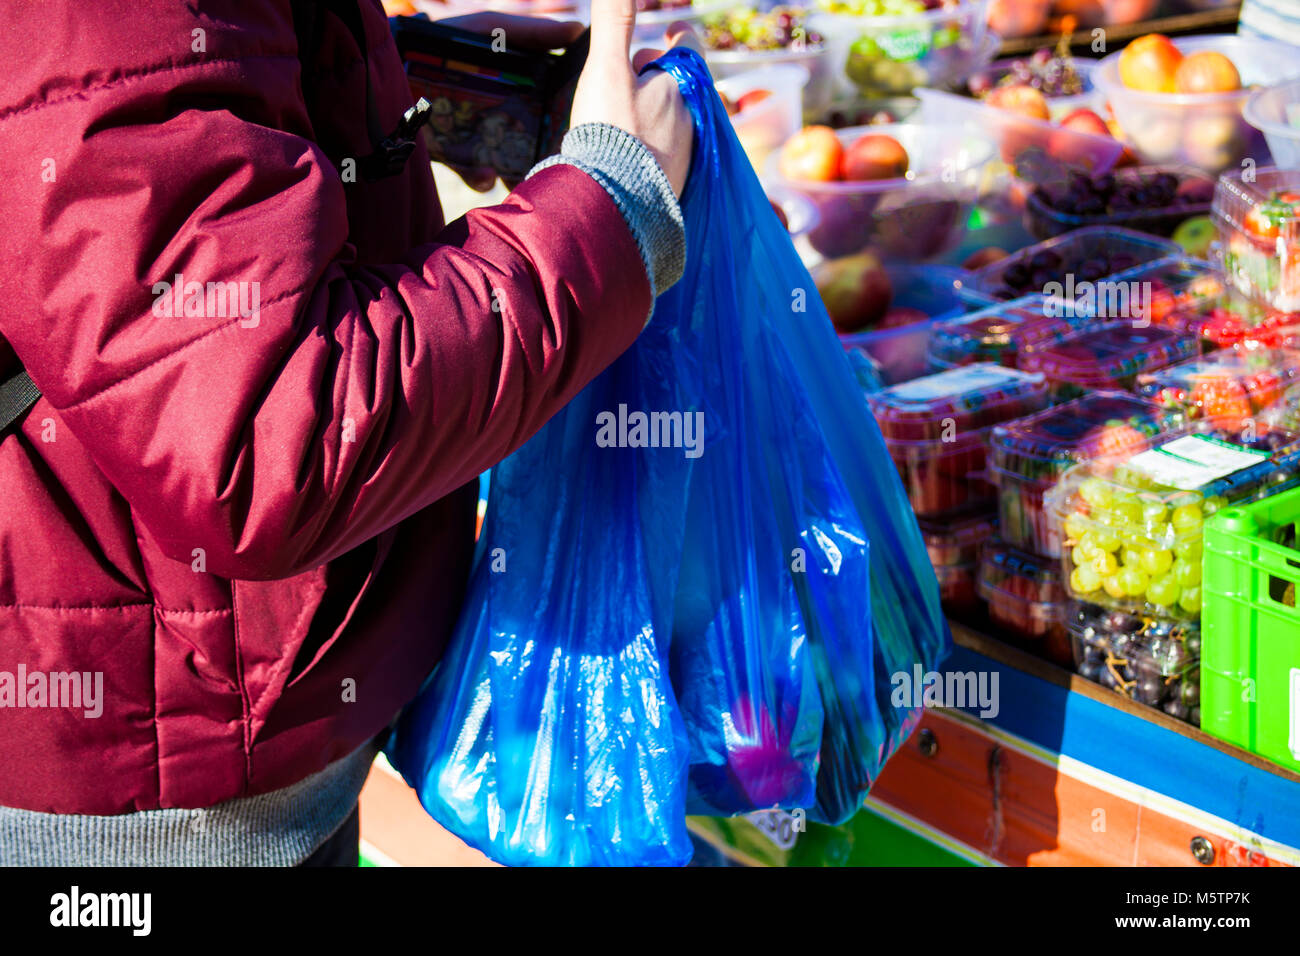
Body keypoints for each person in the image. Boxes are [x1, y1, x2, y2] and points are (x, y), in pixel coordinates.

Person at [0, 0, 694, 865]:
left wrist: (437, 95)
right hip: (145, 806)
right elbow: (269, 441)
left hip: (219, 752)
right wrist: (609, 210)